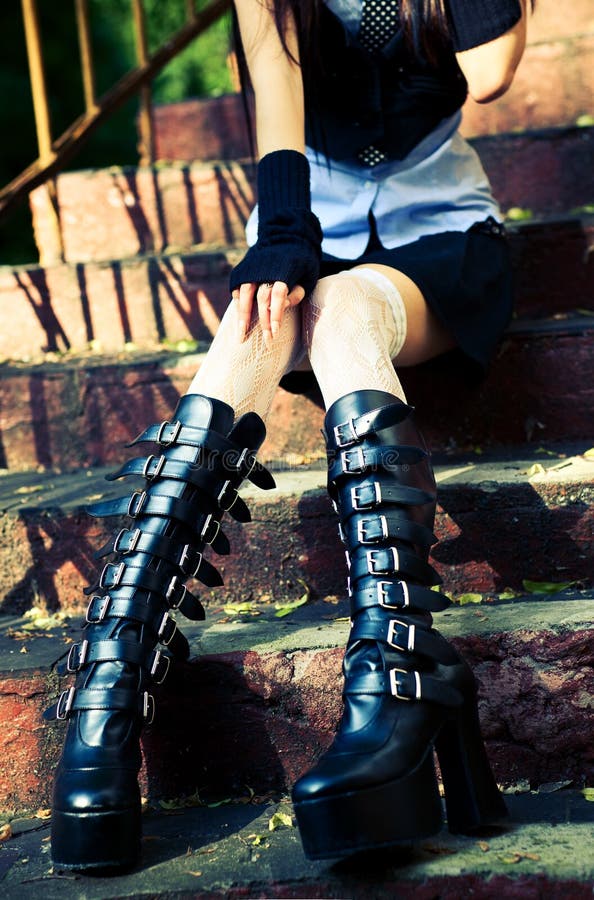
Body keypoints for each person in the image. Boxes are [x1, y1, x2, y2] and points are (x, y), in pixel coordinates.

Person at [45, 0, 531, 870]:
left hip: (442, 236)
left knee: (343, 307)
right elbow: (279, 94)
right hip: (317, 226)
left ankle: (394, 679)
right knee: (254, 322)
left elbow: (491, 72)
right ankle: (109, 686)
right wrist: (281, 237)